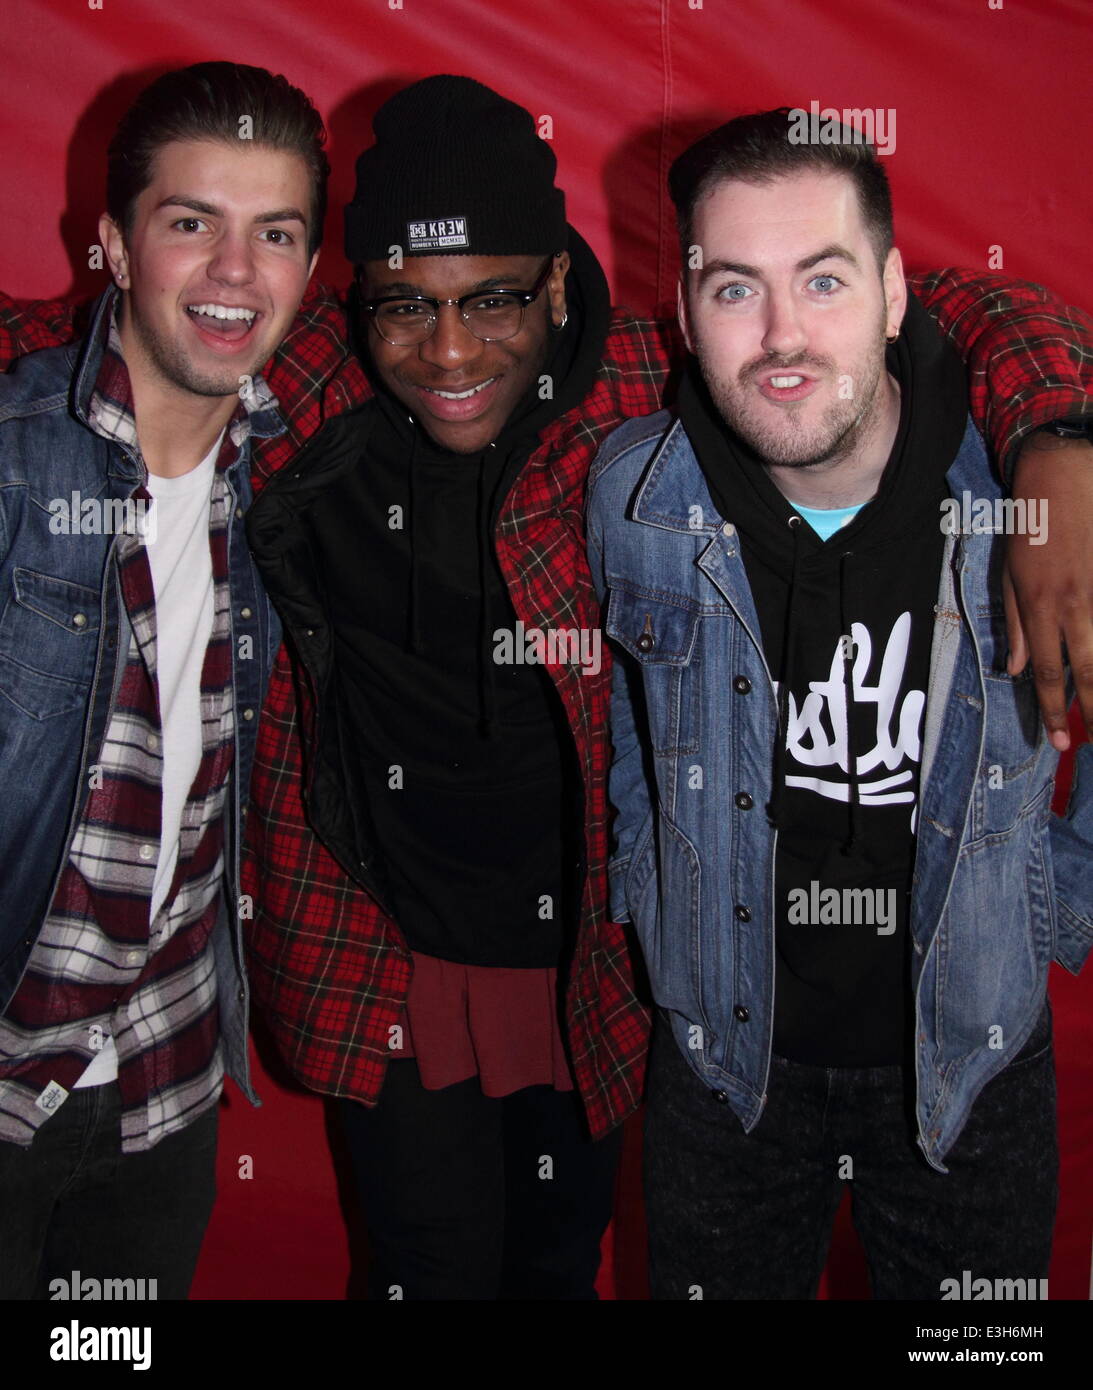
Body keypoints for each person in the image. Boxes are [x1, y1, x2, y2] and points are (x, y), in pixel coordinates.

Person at [4, 75, 1091, 1301]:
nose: (450, 348)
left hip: (593, 967)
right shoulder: (300, 384)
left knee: (557, 1265)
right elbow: (104, 344)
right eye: (404, 304)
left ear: (562, 282)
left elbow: (937, 309)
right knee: (424, 1270)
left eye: (497, 299)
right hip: (381, 962)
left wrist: (1062, 430)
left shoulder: (650, 401)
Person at [585, 107, 1093, 1300]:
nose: (779, 338)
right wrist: (651, 907)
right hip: (726, 1060)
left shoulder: (1015, 496)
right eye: (732, 290)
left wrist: (1051, 910)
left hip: (970, 1054)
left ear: (897, 290)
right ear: (684, 308)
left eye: (821, 280)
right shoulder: (636, 497)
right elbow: (627, 735)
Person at [0, 61, 324, 1299]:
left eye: (276, 234)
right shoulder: (21, 468)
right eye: (192, 223)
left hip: (164, 1086)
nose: (236, 273)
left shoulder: (288, 473)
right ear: (115, 249)